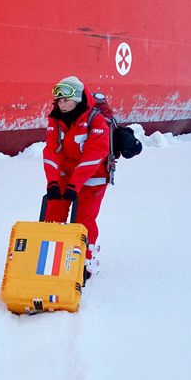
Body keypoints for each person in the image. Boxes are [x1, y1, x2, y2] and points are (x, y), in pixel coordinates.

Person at [42, 76, 110, 276]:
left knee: (83, 221)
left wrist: (75, 186)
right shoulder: (55, 119)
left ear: (78, 99)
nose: (61, 105)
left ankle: (85, 263)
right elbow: (51, 152)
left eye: (66, 100)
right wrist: (53, 183)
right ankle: (49, 259)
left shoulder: (95, 121)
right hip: (66, 177)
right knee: (52, 215)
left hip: (93, 178)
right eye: (59, 101)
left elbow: (93, 156)